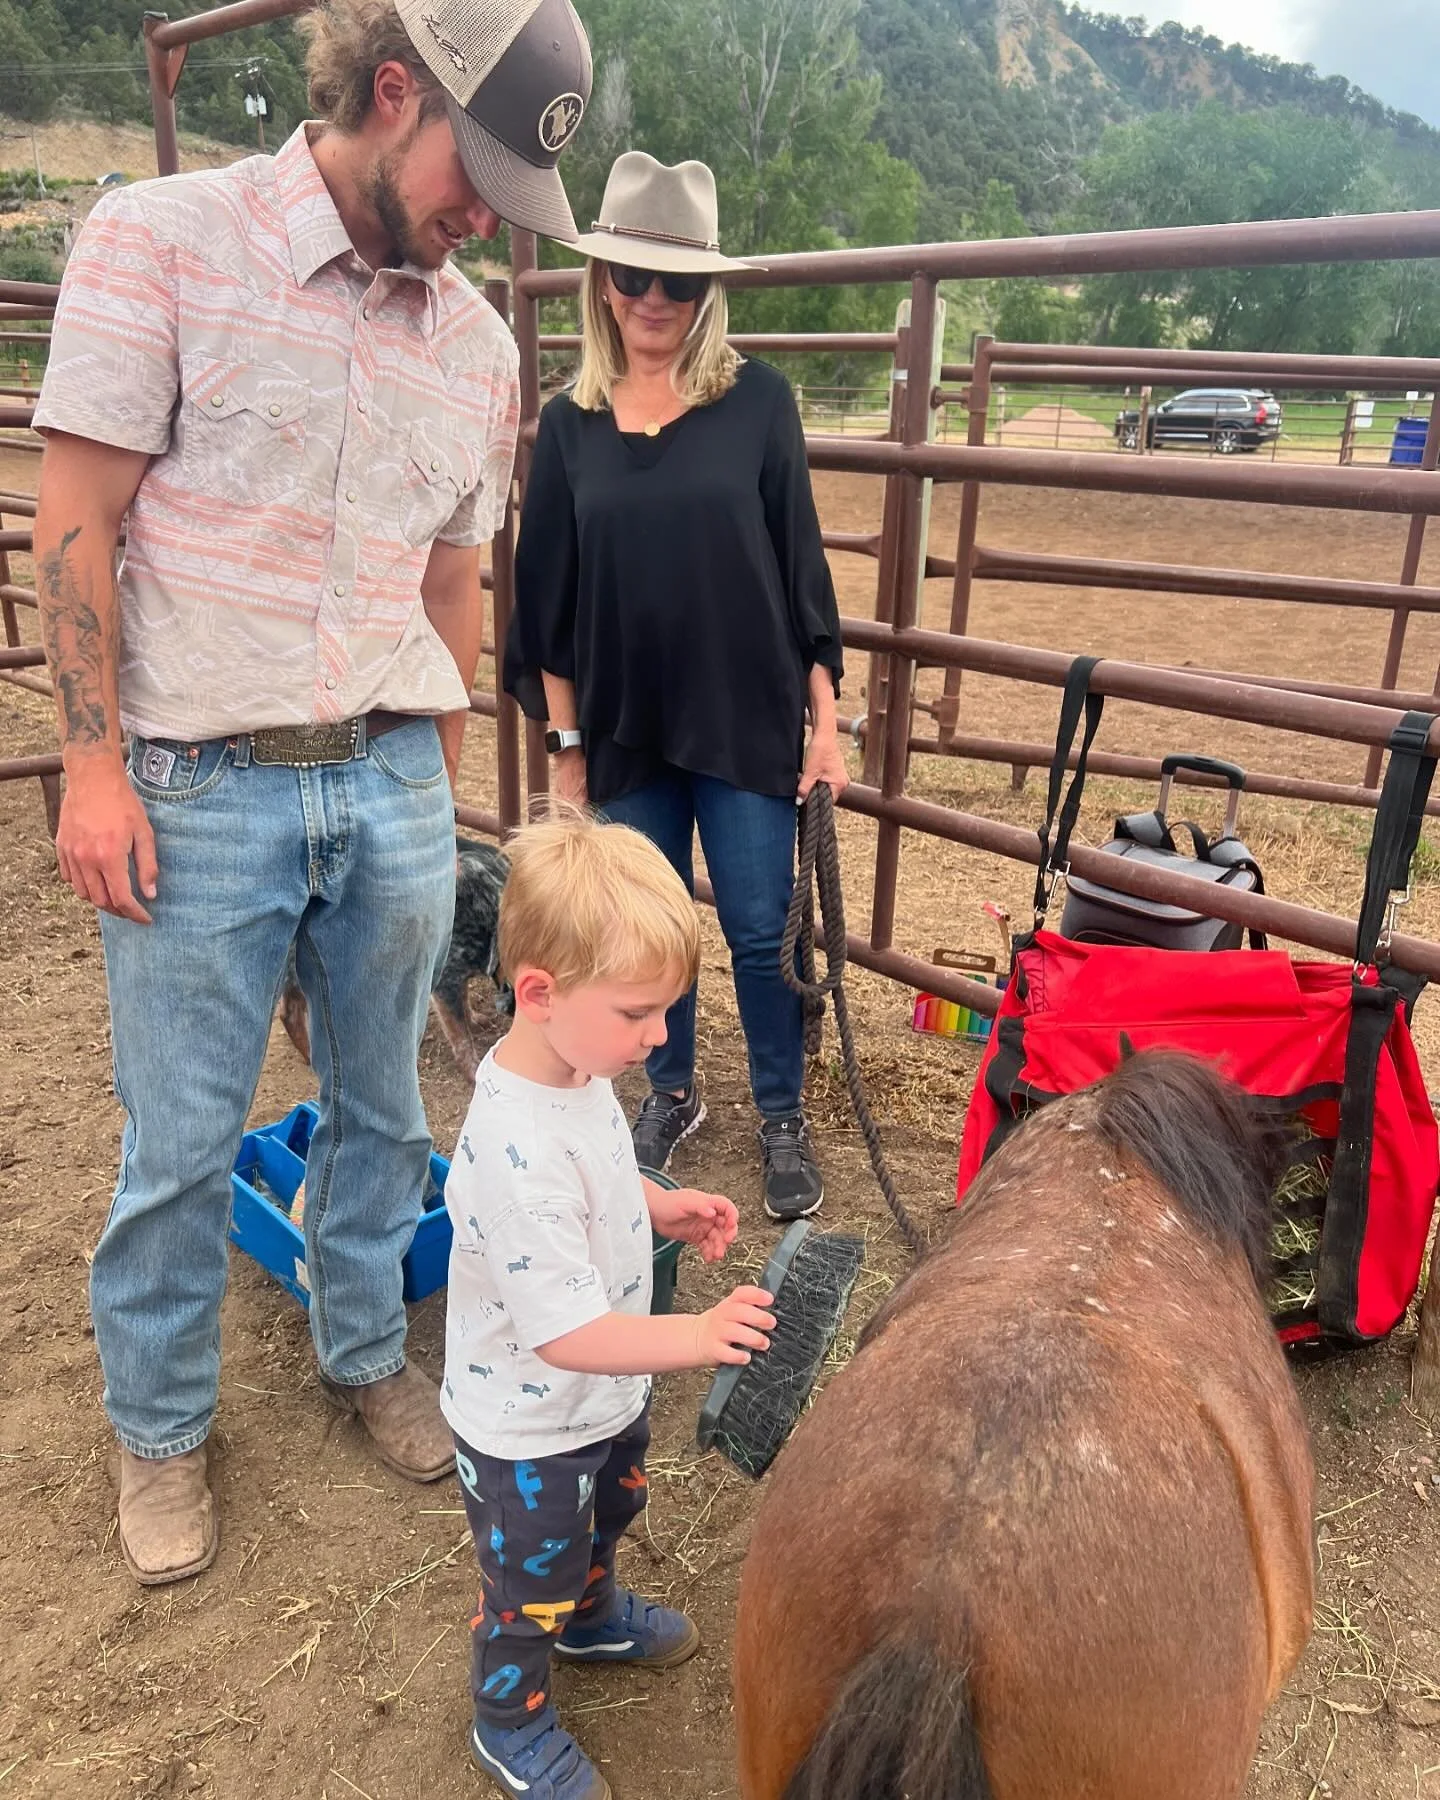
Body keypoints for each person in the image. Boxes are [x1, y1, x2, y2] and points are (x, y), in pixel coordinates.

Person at [30, 0, 591, 1587]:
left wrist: (435, 787)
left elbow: (453, 577)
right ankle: (158, 1427)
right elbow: (74, 516)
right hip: (195, 781)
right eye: (477, 175)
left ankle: (360, 1350)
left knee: (385, 1105)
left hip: (389, 771)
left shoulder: (475, 347)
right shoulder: (164, 242)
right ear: (393, 91)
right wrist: (91, 765)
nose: (487, 219)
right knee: (181, 1138)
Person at [504, 151, 847, 1225]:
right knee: (643, 929)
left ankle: (781, 1113)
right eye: (633, 276)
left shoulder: (759, 405)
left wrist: (825, 726)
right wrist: (567, 753)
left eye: (680, 280)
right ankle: (673, 1091)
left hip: (743, 717)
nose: (654, 298)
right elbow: (547, 605)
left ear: (707, 291)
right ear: (602, 284)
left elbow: (802, 571)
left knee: (757, 924)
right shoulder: (568, 427)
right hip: (624, 725)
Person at [443, 810, 773, 1800]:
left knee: (612, 1507)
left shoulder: (577, 1069)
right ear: (539, 992)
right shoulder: (517, 1156)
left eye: (666, 1009)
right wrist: (698, 1334)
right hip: (530, 1428)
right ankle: (509, 1715)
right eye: (640, 1012)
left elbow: (599, 1170)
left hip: (598, 1401)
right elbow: (567, 1332)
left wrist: (656, 1204)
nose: (659, 1035)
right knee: (527, 1582)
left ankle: (589, 1620)